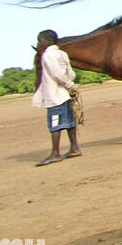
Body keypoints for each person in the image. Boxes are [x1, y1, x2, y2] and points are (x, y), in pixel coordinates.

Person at [30, 29, 81, 166]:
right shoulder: (62, 54)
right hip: (65, 95)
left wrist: (68, 84)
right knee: (70, 122)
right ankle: (74, 148)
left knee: (55, 125)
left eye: (39, 40)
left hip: (54, 96)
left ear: (47, 41)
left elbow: (56, 74)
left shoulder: (47, 55)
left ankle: (55, 153)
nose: (38, 43)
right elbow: (70, 73)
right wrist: (70, 85)